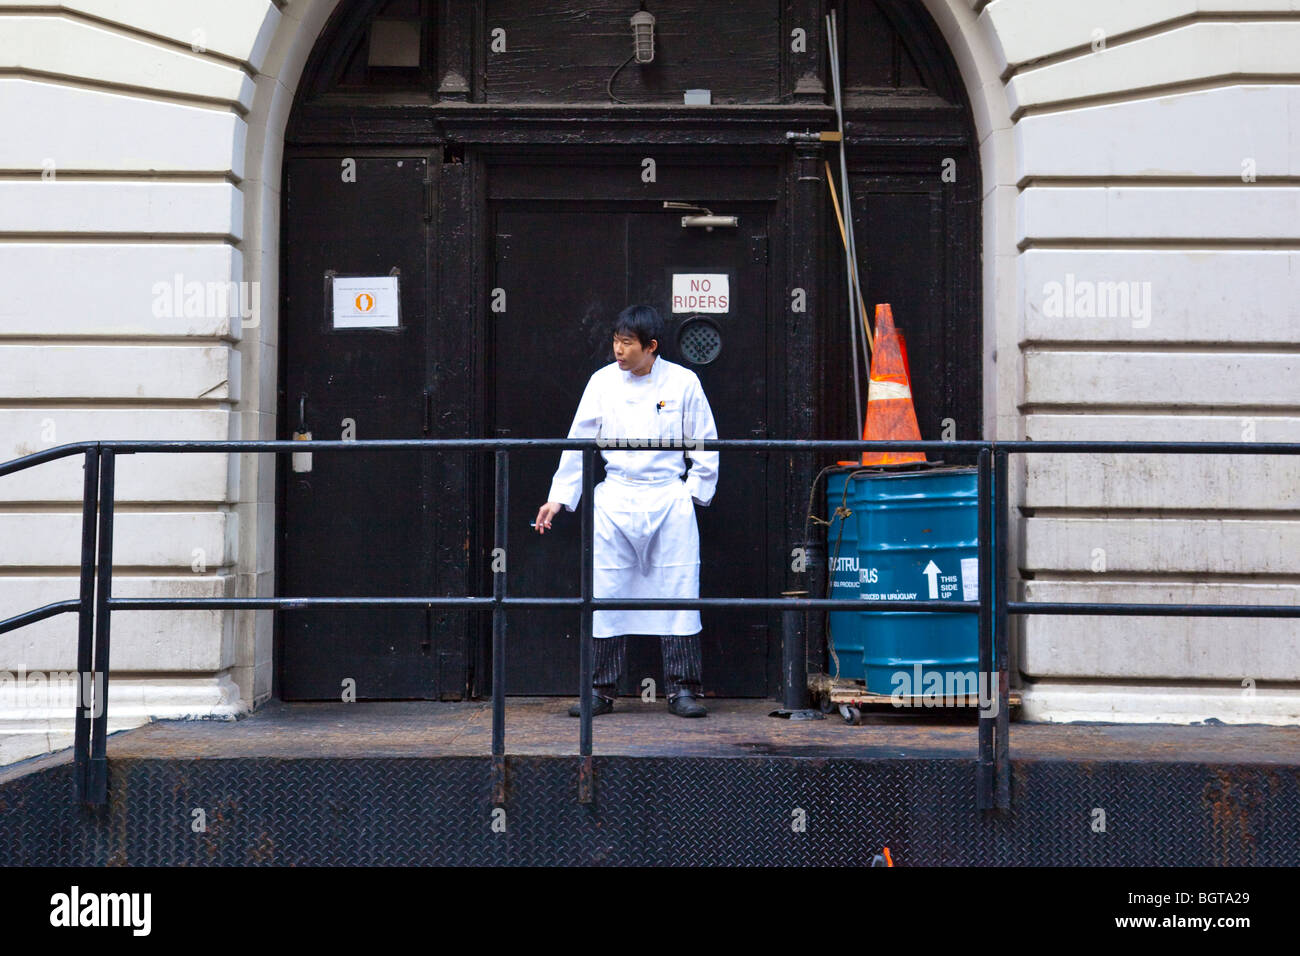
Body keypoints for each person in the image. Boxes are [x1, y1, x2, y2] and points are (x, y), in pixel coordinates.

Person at [533, 304, 719, 718]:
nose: (618, 350)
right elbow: (578, 440)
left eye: (627, 343)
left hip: (668, 498)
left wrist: (691, 494)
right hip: (616, 497)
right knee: (607, 593)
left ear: (651, 347)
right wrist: (559, 496)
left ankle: (684, 689)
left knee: (678, 593)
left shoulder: (684, 382)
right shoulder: (601, 382)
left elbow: (704, 443)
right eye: (616, 341)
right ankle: (599, 690)